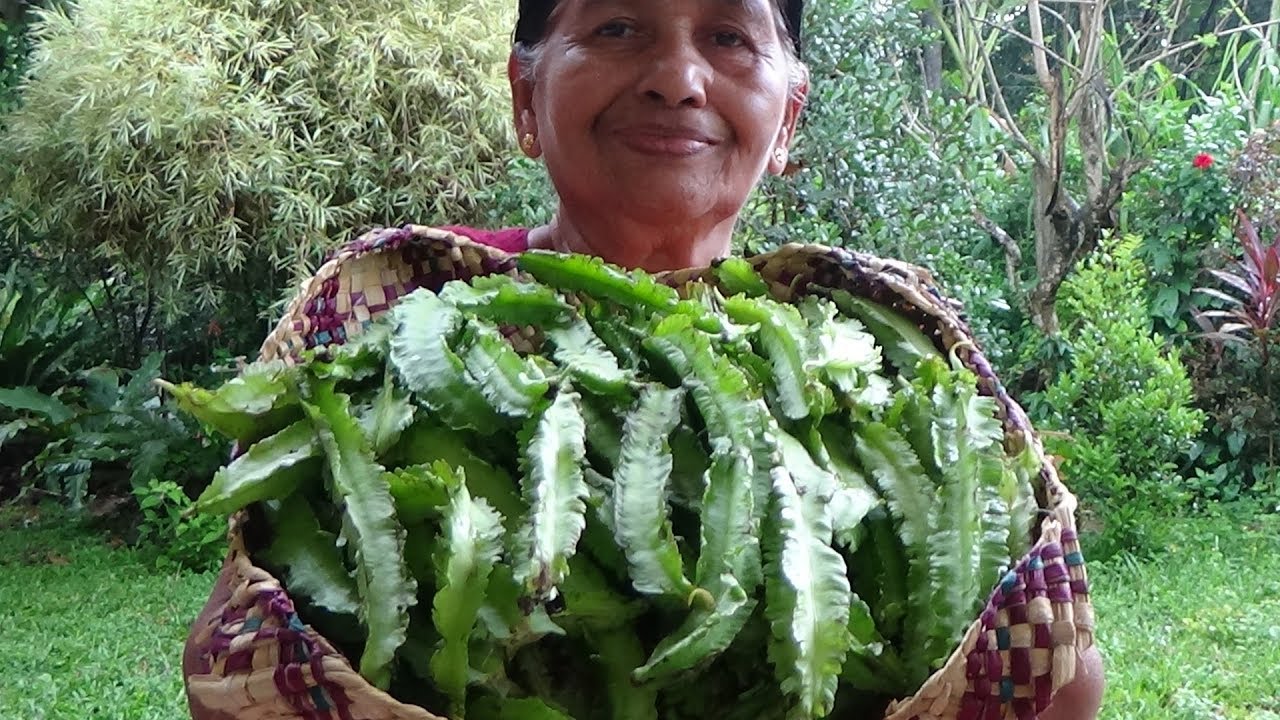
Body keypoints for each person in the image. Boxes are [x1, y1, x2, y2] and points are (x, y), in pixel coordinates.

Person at [182, 0, 1105, 717]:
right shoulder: (389, 315)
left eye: (731, 38)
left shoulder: (878, 346)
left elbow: (1062, 678)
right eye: (618, 27)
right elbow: (230, 674)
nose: (677, 79)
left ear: (788, 116)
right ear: (523, 98)